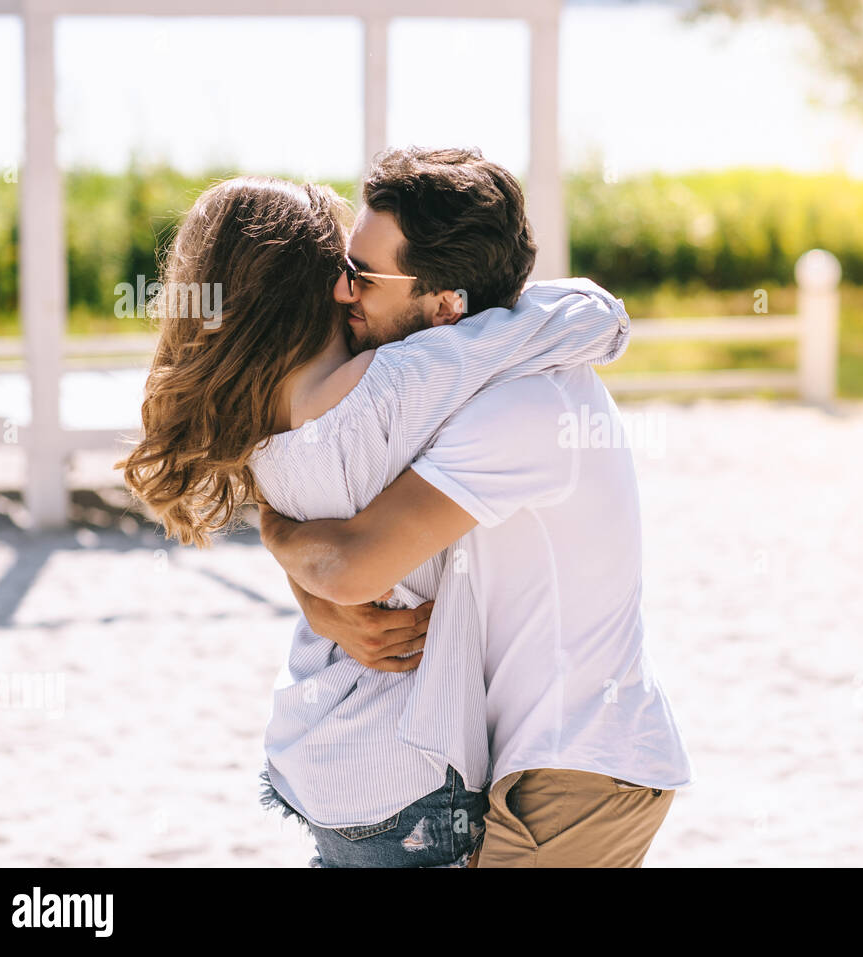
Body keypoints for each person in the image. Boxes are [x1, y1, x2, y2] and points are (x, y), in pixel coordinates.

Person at [118, 160, 632, 867]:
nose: (346, 285)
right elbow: (551, 326)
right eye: (342, 268)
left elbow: (308, 541)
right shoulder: (392, 389)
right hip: (409, 775)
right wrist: (603, 310)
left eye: (359, 273)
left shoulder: (251, 429)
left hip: (314, 753)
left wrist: (297, 566)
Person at [258, 148, 693, 868]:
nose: (342, 292)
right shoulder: (460, 386)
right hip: (533, 762)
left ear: (447, 305)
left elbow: (353, 559)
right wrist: (319, 600)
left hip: (574, 771)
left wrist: (278, 534)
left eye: (364, 275)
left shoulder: (520, 408)